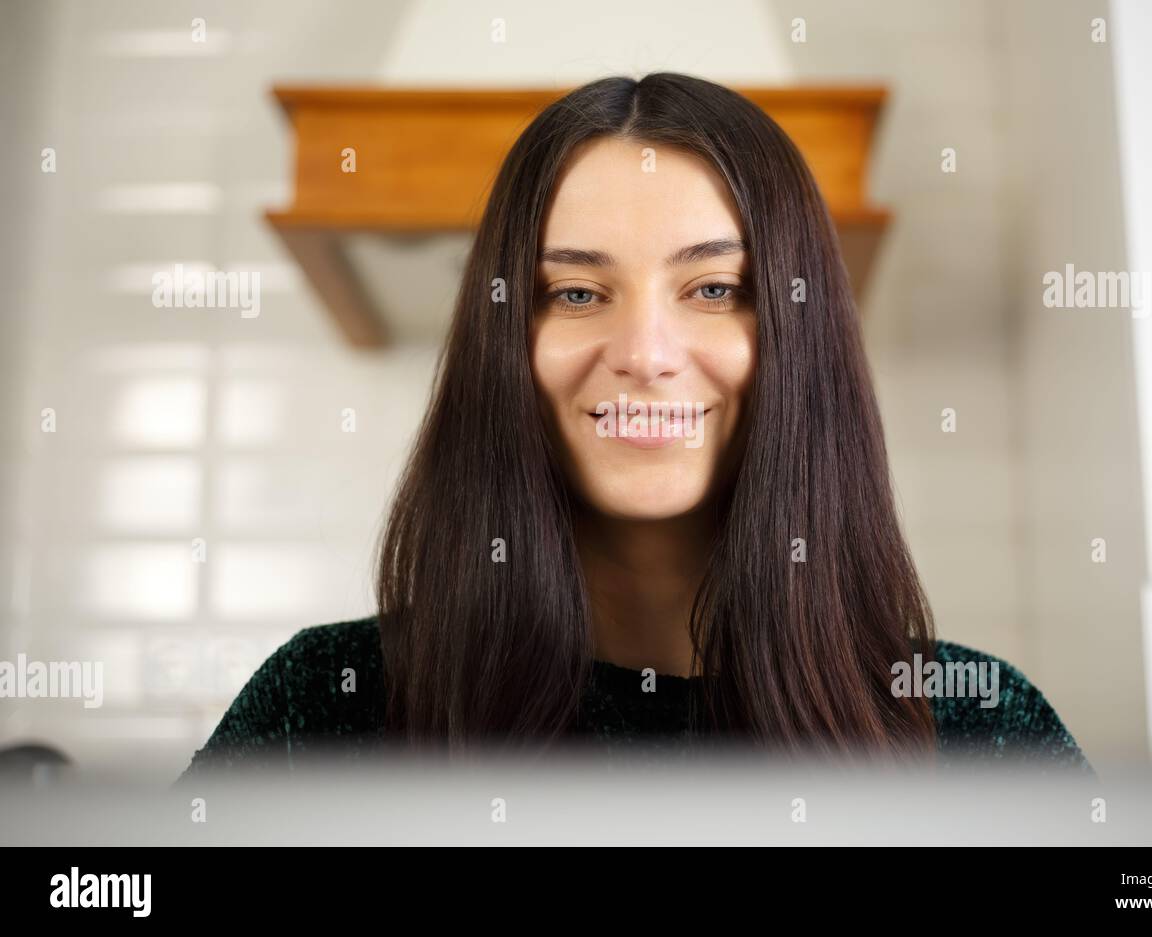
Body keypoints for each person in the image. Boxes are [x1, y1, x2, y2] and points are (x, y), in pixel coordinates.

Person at [179, 73, 1089, 783]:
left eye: (714, 290)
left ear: (799, 337)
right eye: (576, 292)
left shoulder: (980, 725)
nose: (646, 352)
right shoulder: (324, 704)